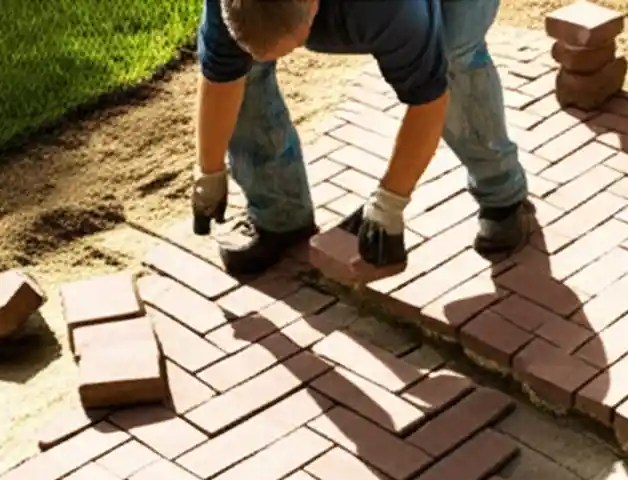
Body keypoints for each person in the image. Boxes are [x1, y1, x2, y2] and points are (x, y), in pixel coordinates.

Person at [192, 0, 534, 276]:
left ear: (314, 8)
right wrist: (208, 171)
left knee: (452, 54)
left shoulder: (390, 10)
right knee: (246, 66)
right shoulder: (232, 8)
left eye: (295, 43)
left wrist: (389, 204)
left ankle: (504, 195)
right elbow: (221, 74)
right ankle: (279, 216)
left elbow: (428, 100)